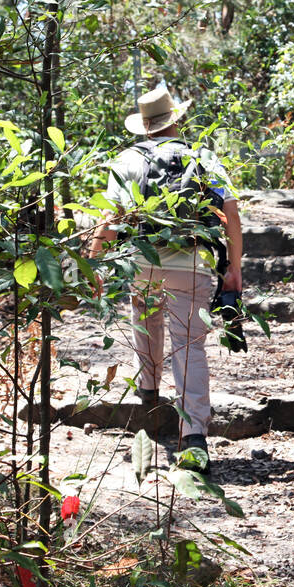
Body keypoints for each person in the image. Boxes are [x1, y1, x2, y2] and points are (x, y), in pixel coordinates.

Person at [88, 82, 244, 475]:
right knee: (189, 344)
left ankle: (150, 393)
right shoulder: (200, 155)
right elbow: (230, 209)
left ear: (144, 126)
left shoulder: (125, 159)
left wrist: (93, 261)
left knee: (144, 318)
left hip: (141, 260)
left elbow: (111, 218)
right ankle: (193, 437)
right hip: (189, 262)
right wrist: (234, 267)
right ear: (177, 119)